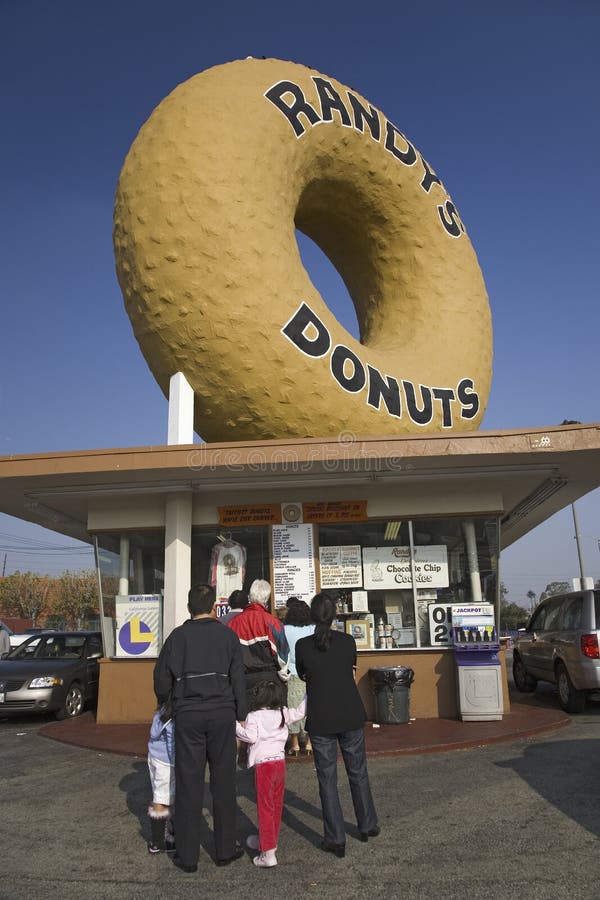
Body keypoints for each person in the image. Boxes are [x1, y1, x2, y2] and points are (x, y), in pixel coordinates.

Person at [153, 583, 247, 873]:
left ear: (189, 608)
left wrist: (170, 702)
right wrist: (240, 714)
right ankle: (225, 849)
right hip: (221, 716)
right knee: (223, 784)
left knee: (189, 785)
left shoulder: (176, 638)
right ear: (212, 608)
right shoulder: (228, 636)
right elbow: (238, 679)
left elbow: (160, 682)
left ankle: (187, 856)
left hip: (188, 717)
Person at [295, 592, 379, 858]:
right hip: (350, 714)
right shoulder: (348, 642)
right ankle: (367, 825)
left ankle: (335, 838)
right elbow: (350, 671)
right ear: (333, 616)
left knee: (327, 779)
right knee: (358, 772)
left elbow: (302, 673)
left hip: (321, 719)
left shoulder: (302, 646)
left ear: (312, 616)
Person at [236, 679, 307, 868]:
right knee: (275, 806)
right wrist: (310, 693)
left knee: (265, 808)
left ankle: (267, 853)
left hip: (263, 766)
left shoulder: (254, 716)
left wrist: (235, 726)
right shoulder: (282, 713)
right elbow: (300, 712)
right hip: (279, 764)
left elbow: (250, 737)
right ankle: (267, 843)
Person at [227, 579, 290, 703]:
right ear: (267, 599)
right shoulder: (273, 622)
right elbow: (283, 656)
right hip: (269, 682)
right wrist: (284, 676)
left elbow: (227, 656)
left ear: (250, 596)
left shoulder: (233, 623)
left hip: (242, 682)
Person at [283, 599, 315, 756]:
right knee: (310, 707)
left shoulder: (285, 629)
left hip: (293, 672)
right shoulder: (313, 628)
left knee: (293, 708)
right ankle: (308, 743)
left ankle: (295, 743)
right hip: (311, 673)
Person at [147, 699, 176, 855]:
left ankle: (165, 835)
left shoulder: (162, 711)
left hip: (156, 757)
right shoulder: (172, 715)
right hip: (166, 762)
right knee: (162, 799)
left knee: (164, 797)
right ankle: (158, 841)